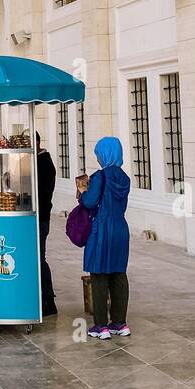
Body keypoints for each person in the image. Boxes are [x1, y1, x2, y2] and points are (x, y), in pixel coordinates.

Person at [75, 136, 131, 339]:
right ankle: (119, 322)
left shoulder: (100, 176)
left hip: (102, 228)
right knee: (118, 274)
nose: (98, 158)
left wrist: (82, 191)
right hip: (120, 228)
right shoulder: (124, 178)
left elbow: (90, 202)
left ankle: (101, 325)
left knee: (99, 275)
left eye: (99, 154)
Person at [35, 133, 57, 317]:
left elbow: (42, 193)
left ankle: (48, 300)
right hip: (36, 217)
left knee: (39, 258)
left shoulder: (44, 164)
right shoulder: (36, 162)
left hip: (40, 218)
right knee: (36, 258)